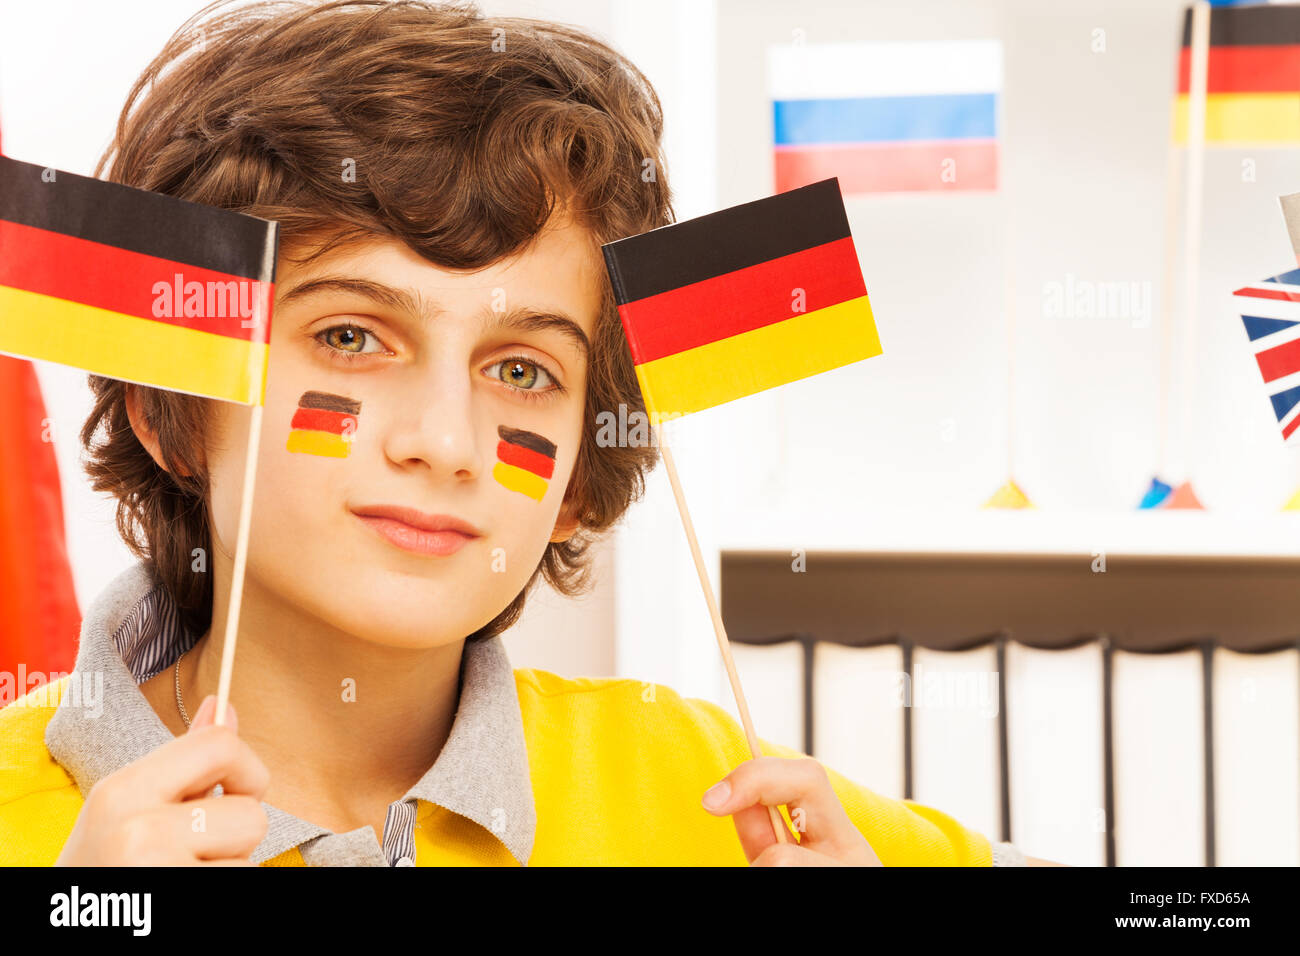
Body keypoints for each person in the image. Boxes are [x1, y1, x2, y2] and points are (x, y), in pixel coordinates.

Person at [0, 0, 1047, 866]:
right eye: (353, 334)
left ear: (579, 484)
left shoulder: (721, 790)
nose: (444, 441)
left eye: (519, 369)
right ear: (170, 409)